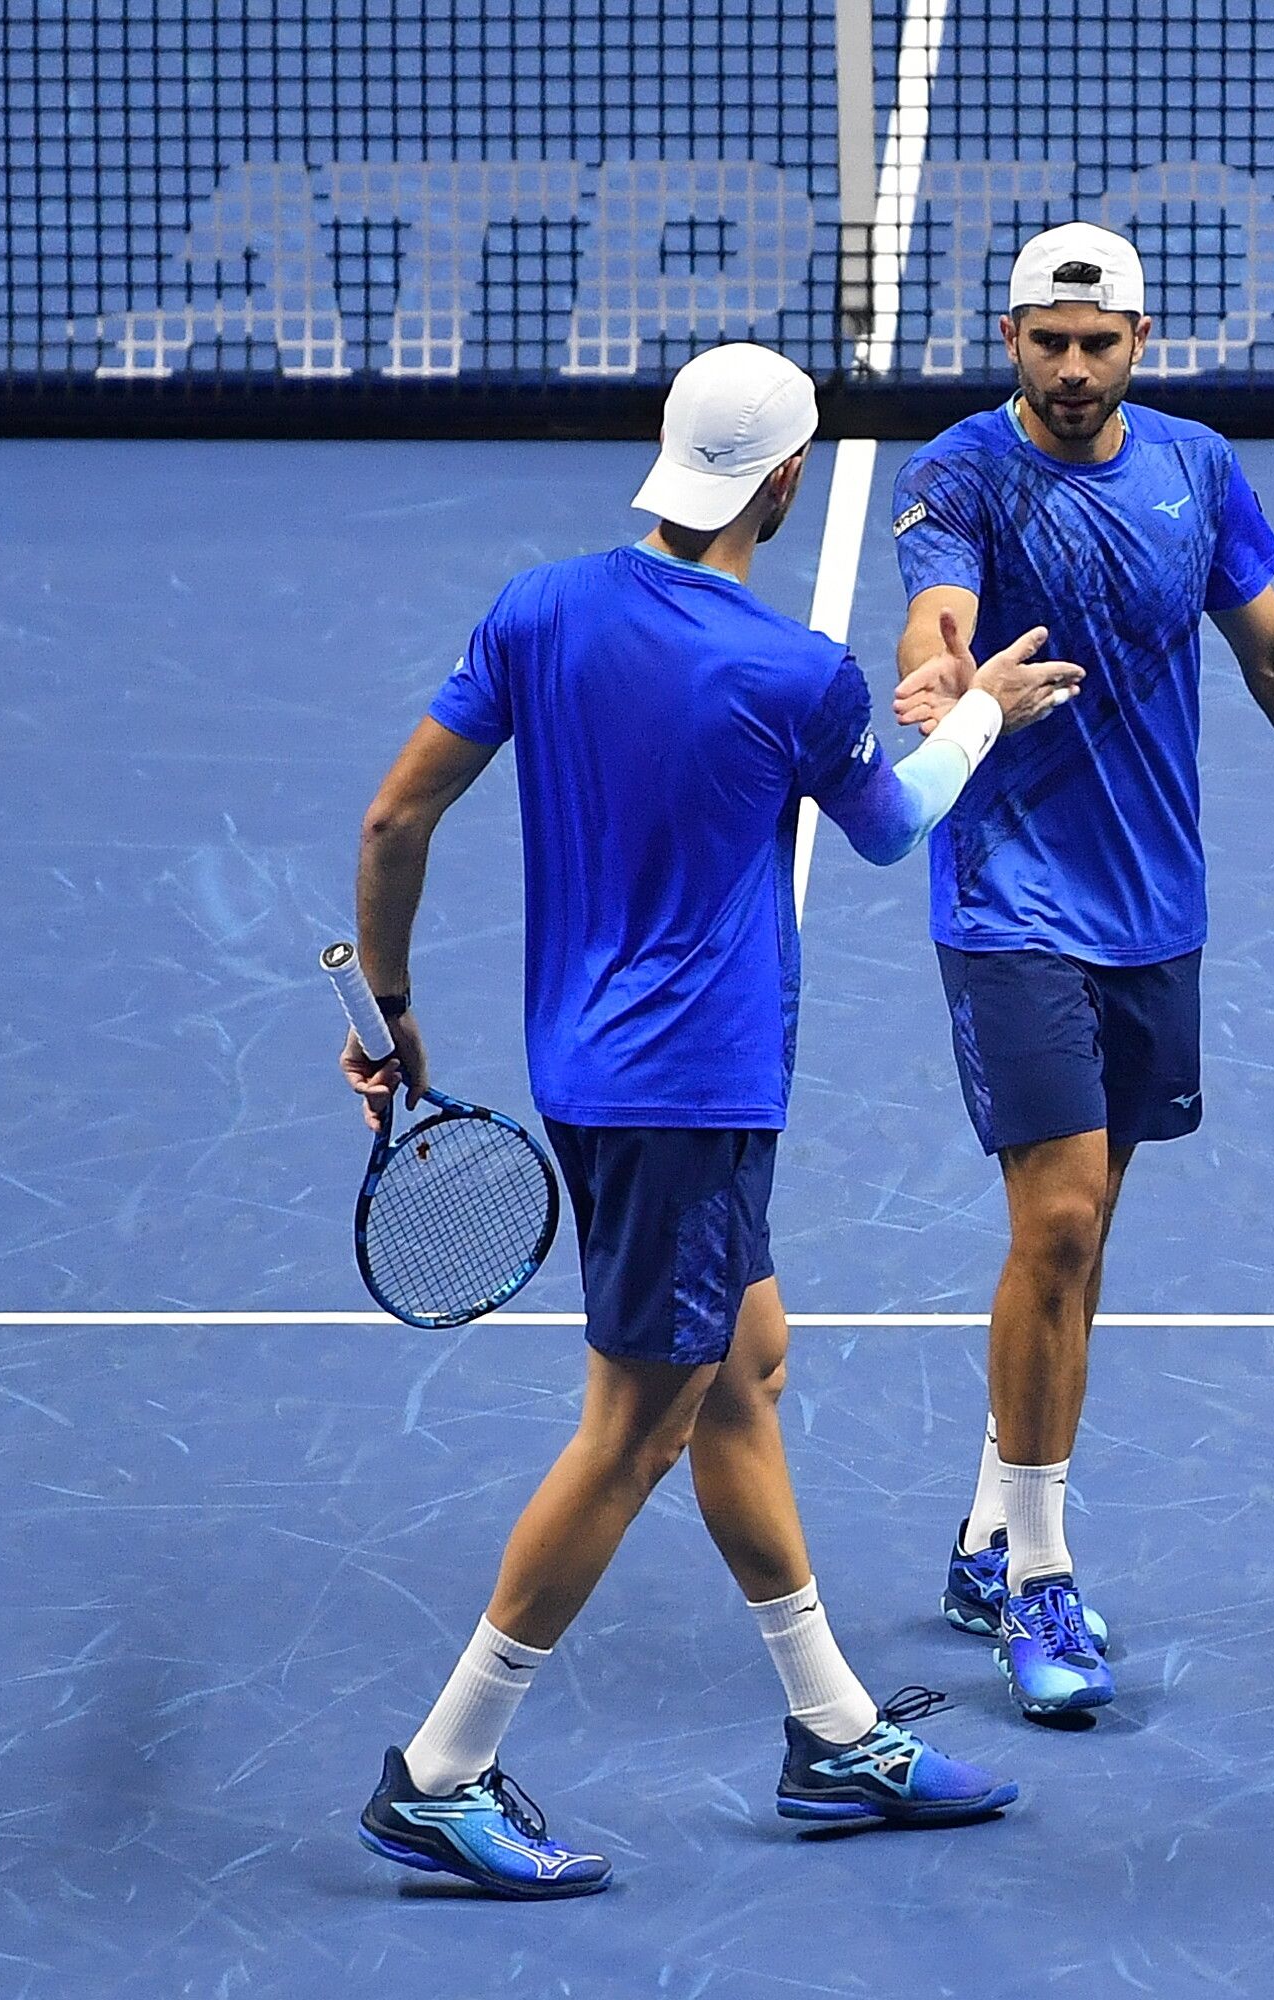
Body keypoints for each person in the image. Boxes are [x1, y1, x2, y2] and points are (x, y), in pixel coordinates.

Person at [341, 342, 1082, 1897]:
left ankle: (831, 1727)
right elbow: (892, 829)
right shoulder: (791, 675)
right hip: (692, 1095)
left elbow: (397, 812)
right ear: (792, 482)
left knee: (743, 1371)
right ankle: (443, 1768)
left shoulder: (538, 610)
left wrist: (395, 1012)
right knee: (636, 1430)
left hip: (588, 1076)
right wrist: (985, 715)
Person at [890, 224, 1274, 1718]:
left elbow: (1273, 654)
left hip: (1155, 909)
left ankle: (987, 1517)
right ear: (1010, 338)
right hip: (1010, 905)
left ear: (1140, 340)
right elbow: (937, 614)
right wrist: (950, 680)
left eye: (1100, 343)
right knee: (1059, 1221)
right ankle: (1041, 1582)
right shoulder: (960, 471)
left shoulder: (1198, 469)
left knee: (1078, 1240)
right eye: (1046, 342)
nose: (1073, 370)